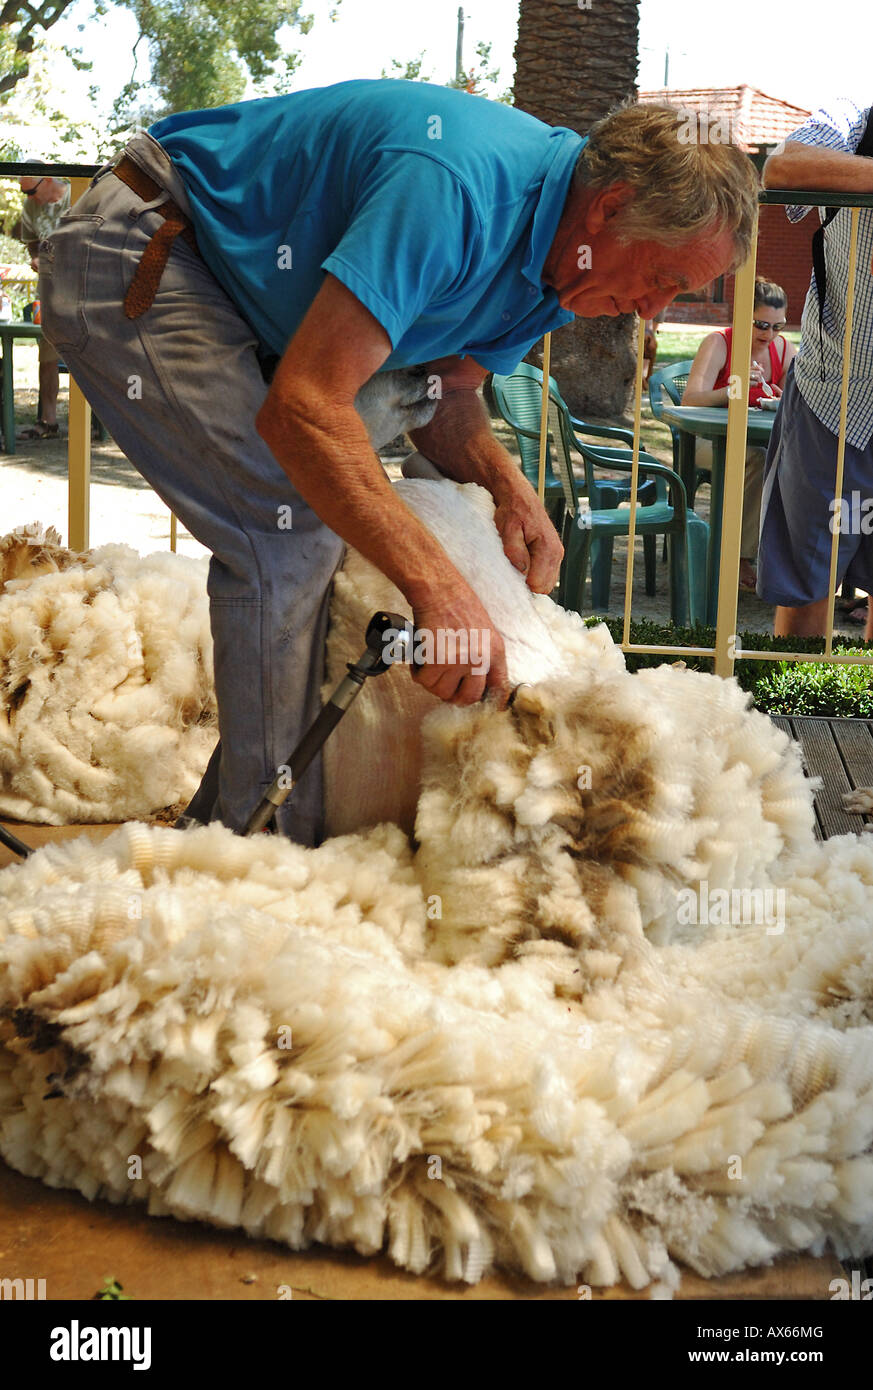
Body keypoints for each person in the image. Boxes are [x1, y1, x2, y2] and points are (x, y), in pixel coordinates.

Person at [40, 81, 757, 845]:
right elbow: (306, 407)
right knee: (281, 529)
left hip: (246, 300)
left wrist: (504, 485)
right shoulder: (454, 189)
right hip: (148, 247)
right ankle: (268, 851)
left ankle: (228, 822)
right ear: (609, 208)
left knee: (381, 424)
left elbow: (444, 398)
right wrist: (439, 591)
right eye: (663, 281)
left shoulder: (560, 275)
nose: (651, 311)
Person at [757, 100, 873, 643]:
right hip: (835, 394)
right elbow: (782, 166)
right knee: (808, 583)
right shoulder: (852, 117)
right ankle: (792, 723)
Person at [681, 277, 796, 590]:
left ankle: (786, 559)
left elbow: (791, 404)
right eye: (761, 324)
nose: (769, 334)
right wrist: (735, 387)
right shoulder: (719, 342)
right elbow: (691, 398)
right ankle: (739, 557)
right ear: (743, 315)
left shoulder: (784, 350)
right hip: (710, 442)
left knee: (797, 462)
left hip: (757, 441)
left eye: (778, 326)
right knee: (759, 460)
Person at [16, 164, 70, 439]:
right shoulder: (31, 207)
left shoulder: (78, 195)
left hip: (80, 290)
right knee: (47, 358)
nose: (29, 198)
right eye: (24, 193)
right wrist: (35, 256)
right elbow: (32, 243)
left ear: (48, 180)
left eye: (32, 192)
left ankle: (100, 423)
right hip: (49, 292)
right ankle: (48, 422)